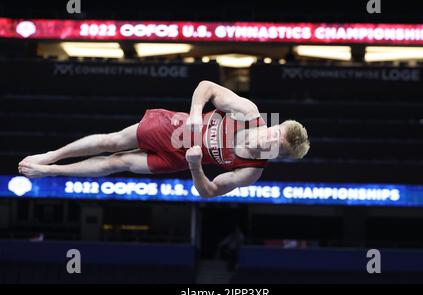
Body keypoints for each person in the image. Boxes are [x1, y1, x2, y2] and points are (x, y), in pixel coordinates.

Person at [18, 81, 310, 198]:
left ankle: (50, 170)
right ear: (276, 124)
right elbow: (206, 86)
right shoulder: (248, 112)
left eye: (275, 146)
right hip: (170, 127)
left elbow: (208, 192)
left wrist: (195, 166)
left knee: (117, 164)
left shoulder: (251, 171)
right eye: (274, 133)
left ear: (276, 155)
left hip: (176, 160)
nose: (268, 140)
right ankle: (51, 155)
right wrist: (196, 113)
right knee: (113, 142)